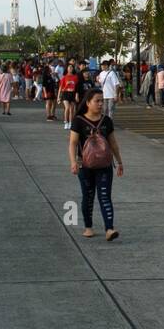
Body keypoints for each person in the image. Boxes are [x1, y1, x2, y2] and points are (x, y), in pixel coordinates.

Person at [68, 89, 123, 241]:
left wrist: (119, 162)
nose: (100, 104)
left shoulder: (107, 121)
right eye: (97, 101)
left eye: (101, 101)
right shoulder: (78, 120)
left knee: (105, 196)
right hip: (85, 166)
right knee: (88, 196)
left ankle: (109, 229)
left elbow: (113, 143)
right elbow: (72, 143)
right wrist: (73, 162)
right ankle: (88, 226)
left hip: (105, 166)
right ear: (88, 103)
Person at [58, 63, 80, 129]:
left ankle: (70, 122)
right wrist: (58, 97)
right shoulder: (64, 77)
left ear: (73, 69)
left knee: (72, 109)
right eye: (69, 67)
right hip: (65, 93)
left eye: (71, 67)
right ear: (67, 69)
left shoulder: (75, 77)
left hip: (72, 94)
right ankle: (66, 122)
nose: (70, 68)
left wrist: (76, 95)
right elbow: (61, 88)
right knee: (67, 108)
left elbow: (77, 88)